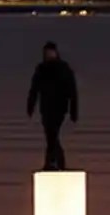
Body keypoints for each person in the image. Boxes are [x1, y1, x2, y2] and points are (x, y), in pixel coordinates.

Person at [26, 41, 79, 171]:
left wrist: (73, 111)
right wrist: (30, 106)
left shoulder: (63, 68)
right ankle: (55, 162)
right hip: (46, 108)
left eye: (50, 52)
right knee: (50, 135)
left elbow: (72, 90)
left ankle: (53, 162)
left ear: (55, 53)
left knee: (52, 134)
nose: (48, 55)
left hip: (59, 107)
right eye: (46, 52)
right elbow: (34, 89)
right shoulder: (41, 69)